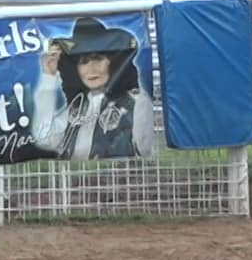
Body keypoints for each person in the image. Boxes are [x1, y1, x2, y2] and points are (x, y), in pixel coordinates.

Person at [32, 16, 159, 161]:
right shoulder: (77, 109)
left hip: (121, 175)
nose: (91, 69)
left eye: (98, 58)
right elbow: (44, 139)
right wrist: (48, 77)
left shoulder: (136, 102)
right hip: (77, 176)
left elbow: (145, 150)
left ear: (115, 62)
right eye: (84, 61)